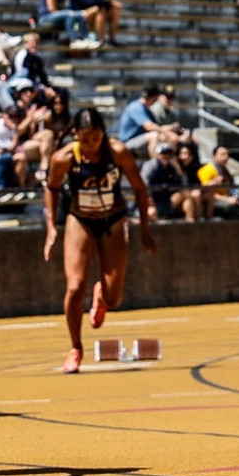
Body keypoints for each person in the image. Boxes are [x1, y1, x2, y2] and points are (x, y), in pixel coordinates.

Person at [42, 107, 158, 373]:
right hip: (80, 219)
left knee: (115, 298)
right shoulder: (64, 158)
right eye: (85, 139)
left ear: (104, 134)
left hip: (113, 220)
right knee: (74, 288)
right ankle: (75, 348)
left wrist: (145, 230)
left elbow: (139, 188)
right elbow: (52, 188)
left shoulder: (116, 152)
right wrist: (51, 228)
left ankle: (102, 296)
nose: (91, 145)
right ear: (75, 136)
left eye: (96, 138)